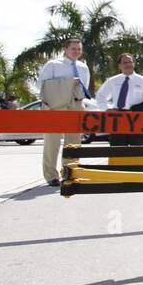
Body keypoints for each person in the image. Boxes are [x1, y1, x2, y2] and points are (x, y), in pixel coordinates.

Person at [37, 37, 90, 187]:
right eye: (73, 48)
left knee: (73, 141)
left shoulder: (83, 67)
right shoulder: (53, 64)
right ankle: (50, 175)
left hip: (75, 104)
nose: (76, 51)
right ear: (65, 49)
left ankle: (71, 172)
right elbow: (40, 85)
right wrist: (66, 83)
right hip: (56, 105)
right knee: (52, 141)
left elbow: (83, 87)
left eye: (79, 49)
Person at [95, 53, 143, 146]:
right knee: (117, 150)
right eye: (125, 62)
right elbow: (100, 96)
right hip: (117, 118)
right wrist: (106, 109)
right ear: (120, 65)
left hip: (136, 119)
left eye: (130, 62)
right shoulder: (113, 80)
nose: (128, 64)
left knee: (137, 151)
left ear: (134, 64)